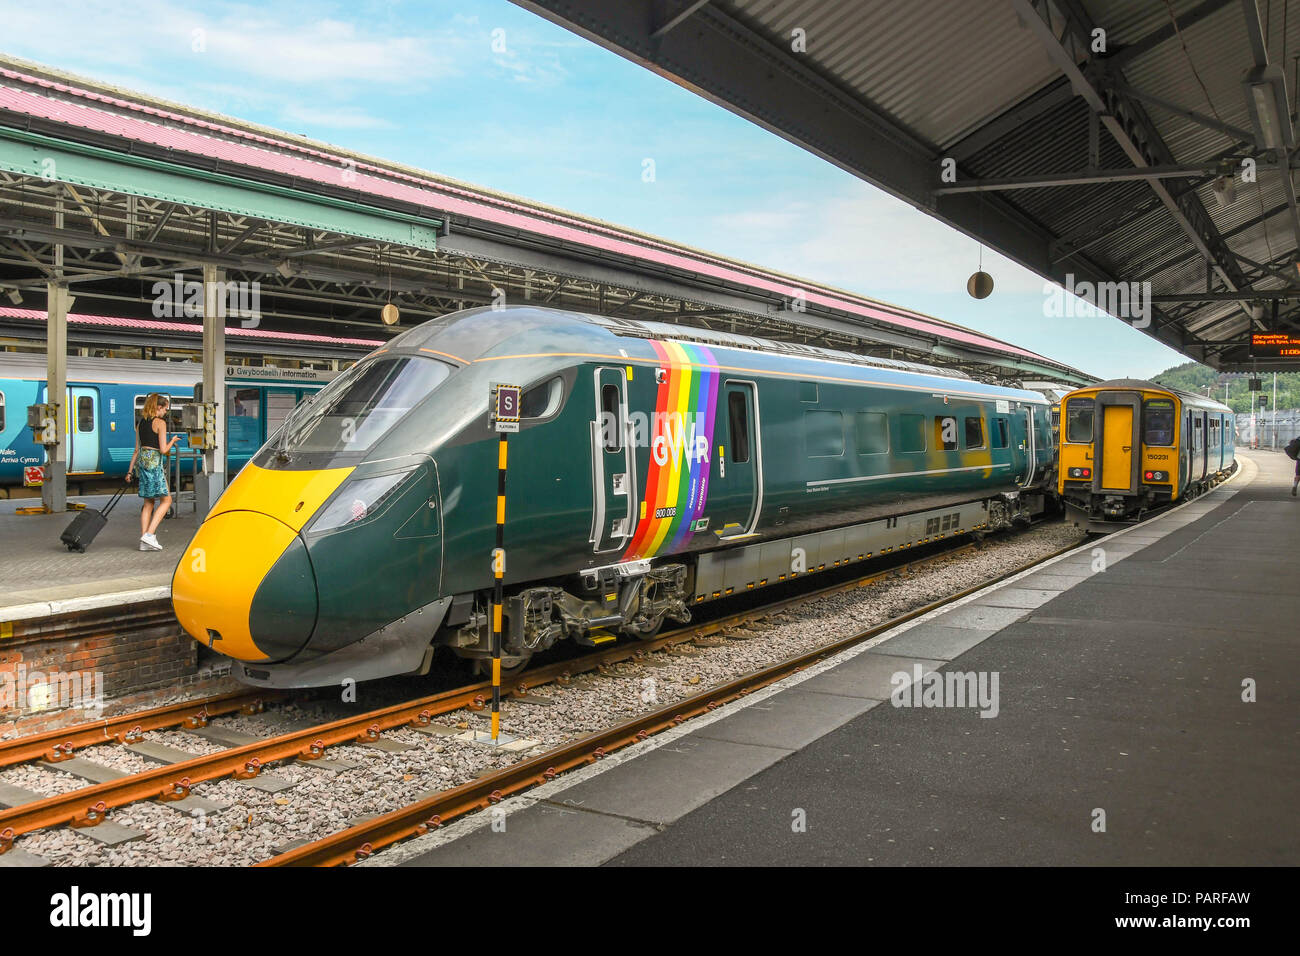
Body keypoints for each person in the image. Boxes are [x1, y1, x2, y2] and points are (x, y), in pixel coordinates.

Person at [126, 393, 180, 550]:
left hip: (142, 462)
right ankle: (149, 535)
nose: (166, 412)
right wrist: (173, 441)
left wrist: (129, 472)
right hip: (154, 462)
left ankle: (144, 541)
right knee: (167, 500)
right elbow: (163, 450)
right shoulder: (160, 423)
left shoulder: (140, 423)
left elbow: (136, 450)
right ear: (158, 407)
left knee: (148, 502)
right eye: (165, 409)